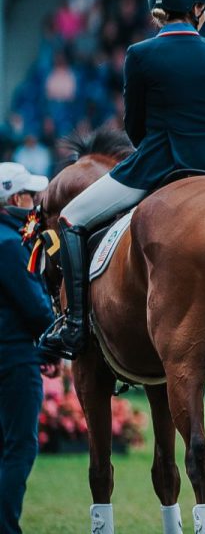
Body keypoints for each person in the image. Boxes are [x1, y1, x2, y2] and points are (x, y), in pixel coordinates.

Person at [39, 0, 205, 360]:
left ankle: (75, 328)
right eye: (203, 6)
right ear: (194, 7)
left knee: (72, 219)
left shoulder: (140, 55)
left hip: (155, 165)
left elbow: (135, 124)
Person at [0, 163, 55, 534]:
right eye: (31, 196)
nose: (35, 203)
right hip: (15, 358)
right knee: (19, 449)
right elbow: (35, 308)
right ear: (15, 198)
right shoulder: (9, 243)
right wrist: (56, 338)